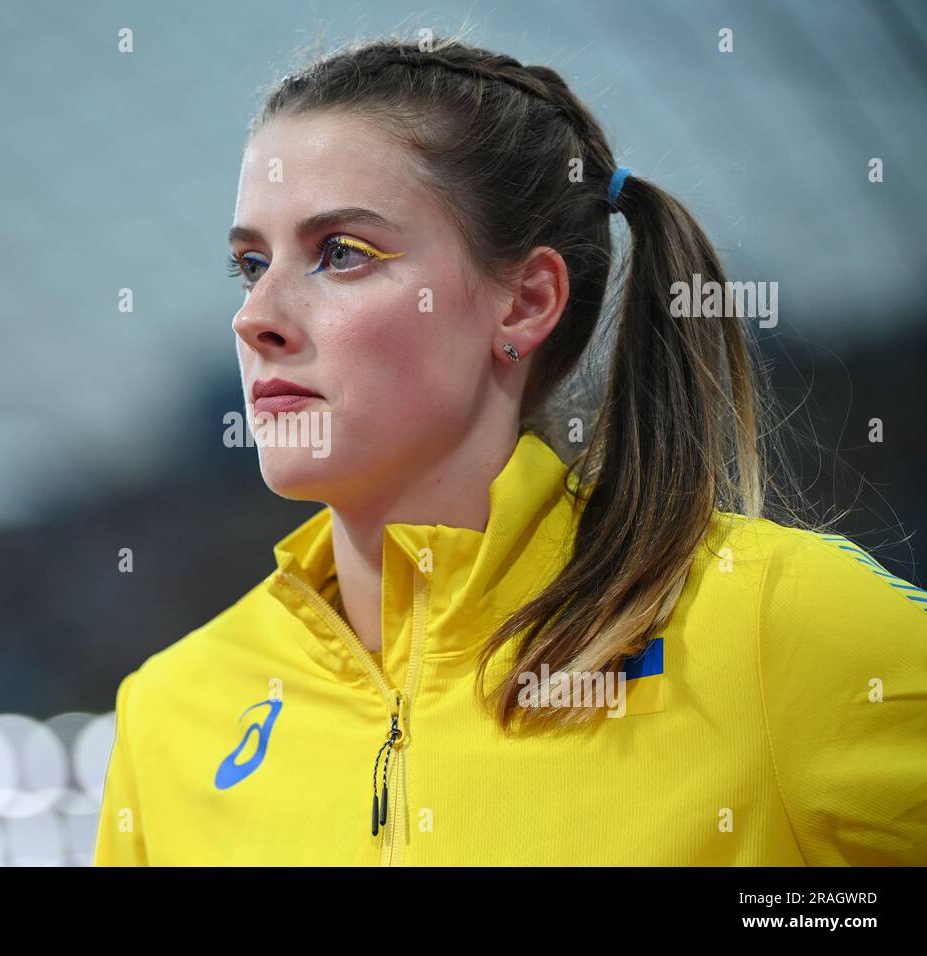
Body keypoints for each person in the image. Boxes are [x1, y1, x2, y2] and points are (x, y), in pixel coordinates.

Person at [93, 35, 927, 866]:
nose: (255, 317)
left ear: (526, 303)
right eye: (249, 263)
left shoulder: (776, 630)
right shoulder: (170, 714)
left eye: (341, 253)